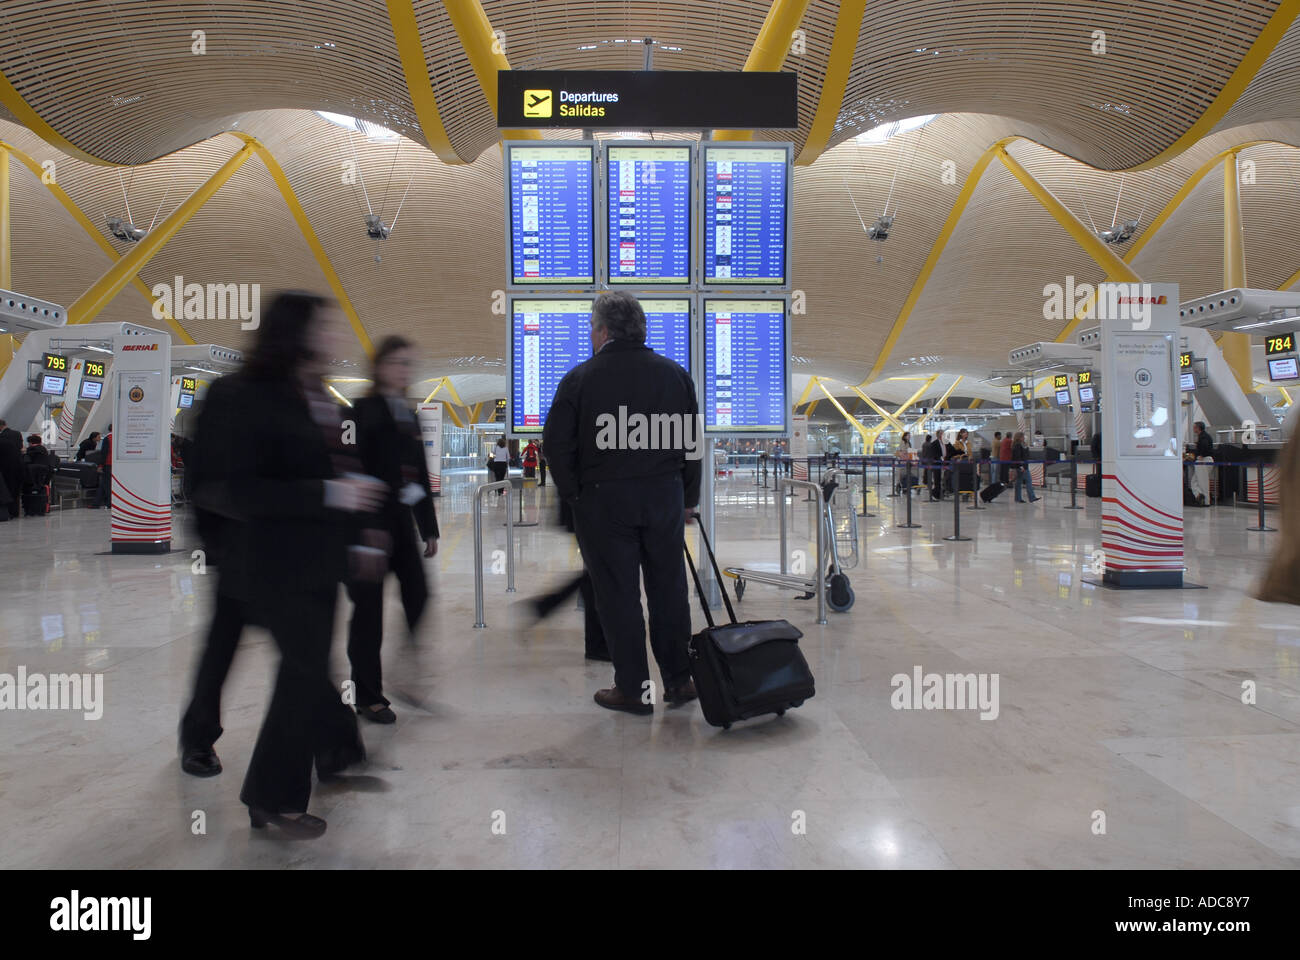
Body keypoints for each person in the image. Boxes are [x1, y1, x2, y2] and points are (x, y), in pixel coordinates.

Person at [202, 291, 388, 838]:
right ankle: (272, 798)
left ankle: (332, 752)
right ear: (296, 333)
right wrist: (331, 495)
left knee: (306, 671)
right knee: (302, 675)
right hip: (269, 563)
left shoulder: (312, 396)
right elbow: (239, 489)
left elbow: (336, 472)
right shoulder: (241, 395)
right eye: (324, 328)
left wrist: (358, 534)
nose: (335, 339)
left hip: (316, 562)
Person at [543, 291, 700, 715]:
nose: (592, 335)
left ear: (605, 331)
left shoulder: (579, 379)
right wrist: (687, 497)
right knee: (669, 589)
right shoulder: (675, 376)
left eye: (593, 328)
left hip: (604, 502)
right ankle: (679, 679)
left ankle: (632, 688)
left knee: (618, 596)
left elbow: (556, 447)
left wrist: (576, 495)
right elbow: (692, 444)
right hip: (663, 497)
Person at [345, 335, 440, 724]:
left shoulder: (407, 413)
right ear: (380, 366)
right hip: (366, 526)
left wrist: (428, 528)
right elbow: (349, 473)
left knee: (418, 593)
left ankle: (404, 668)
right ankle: (367, 694)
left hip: (399, 523)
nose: (404, 371)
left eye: (408, 364)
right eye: (397, 363)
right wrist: (363, 527)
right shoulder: (358, 412)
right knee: (368, 612)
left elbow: (416, 474)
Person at [179, 372, 256, 777]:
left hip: (290, 551)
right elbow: (206, 478)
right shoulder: (232, 393)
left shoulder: (304, 393)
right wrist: (218, 544)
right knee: (222, 647)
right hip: (240, 549)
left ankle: (335, 737)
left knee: (306, 652)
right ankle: (197, 737)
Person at [1187, 421, 1214, 506]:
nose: (1193, 429)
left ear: (1198, 428)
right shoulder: (1203, 436)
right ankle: (1199, 495)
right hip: (1204, 460)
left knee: (1203, 482)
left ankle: (1206, 502)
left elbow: (1205, 446)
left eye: (1194, 427)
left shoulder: (1203, 437)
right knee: (1194, 482)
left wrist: (1202, 454)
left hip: (1203, 461)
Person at [1011, 431, 1040, 503]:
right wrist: (1021, 466)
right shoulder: (1018, 445)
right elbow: (1017, 457)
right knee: (1028, 481)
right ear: (1020, 437)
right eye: (1023, 437)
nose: (1024, 438)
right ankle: (1031, 497)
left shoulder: (1020, 445)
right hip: (1022, 466)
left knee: (1019, 482)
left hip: (1022, 466)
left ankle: (1018, 498)